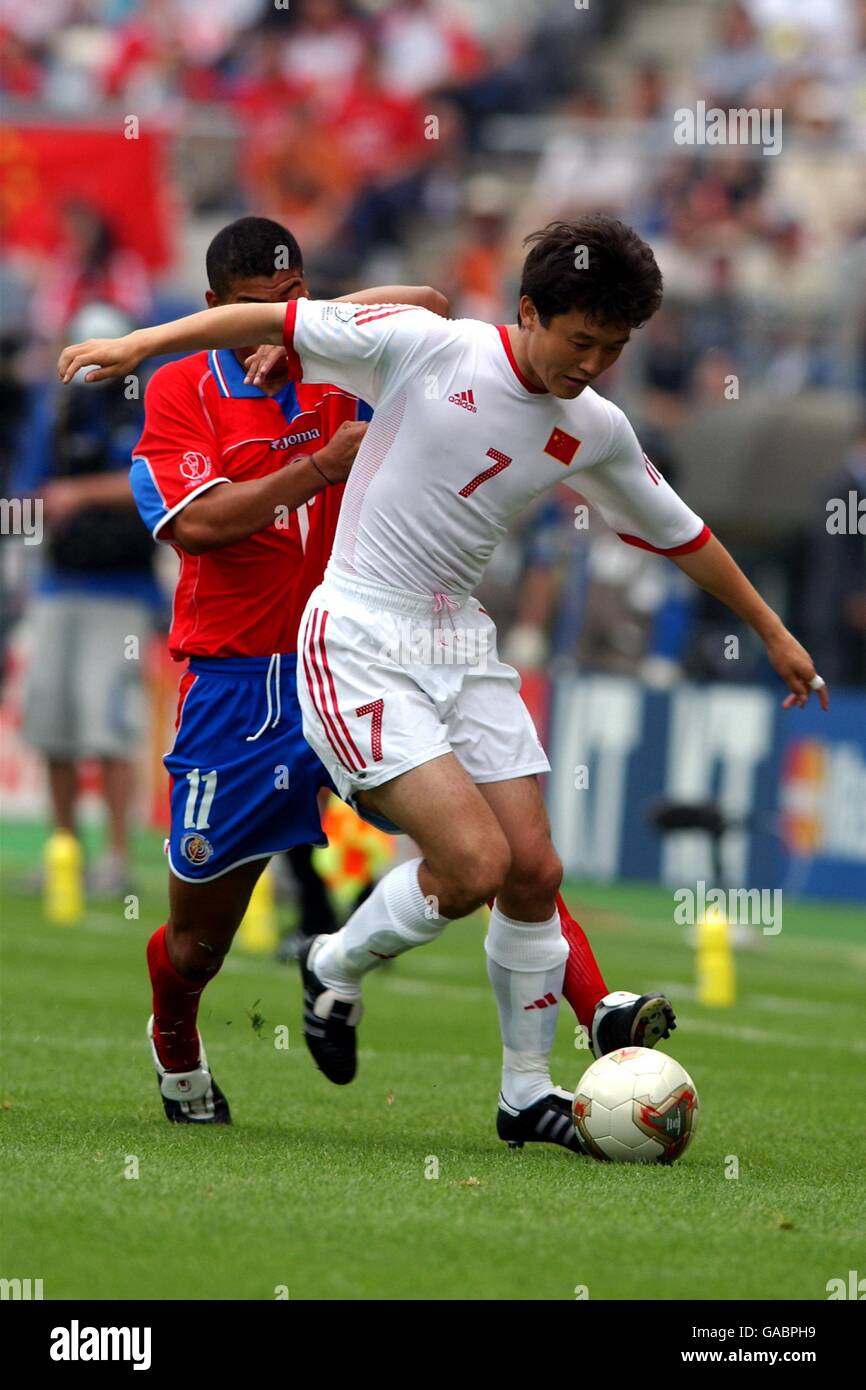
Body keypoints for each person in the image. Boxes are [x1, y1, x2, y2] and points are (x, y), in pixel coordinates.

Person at [58, 215, 829, 1155]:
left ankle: (537, 1080)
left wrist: (774, 633)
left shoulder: (587, 424)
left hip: (454, 644)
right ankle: (238, 1004)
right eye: (579, 342)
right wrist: (140, 344)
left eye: (612, 349)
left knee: (525, 865)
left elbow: (682, 532)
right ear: (530, 313)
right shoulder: (236, 382)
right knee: (204, 939)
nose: (591, 364)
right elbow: (197, 525)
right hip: (290, 663)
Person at [124, 213, 447, 1122]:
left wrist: (307, 327)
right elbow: (199, 523)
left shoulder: (342, 360)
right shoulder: (182, 386)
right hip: (239, 681)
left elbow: (430, 303)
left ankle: (561, 1052)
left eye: (296, 297)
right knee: (197, 945)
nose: (283, 318)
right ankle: (176, 1039)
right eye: (259, 308)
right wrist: (315, 467)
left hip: (351, 660)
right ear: (213, 310)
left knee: (489, 849)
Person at [15, 302, 161, 896]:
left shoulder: (148, 410)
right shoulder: (54, 415)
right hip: (58, 585)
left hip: (122, 588)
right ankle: (64, 851)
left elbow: (155, 481)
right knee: (53, 724)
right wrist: (28, 535)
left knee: (110, 725)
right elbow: (28, 492)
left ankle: (117, 859)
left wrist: (79, 495)